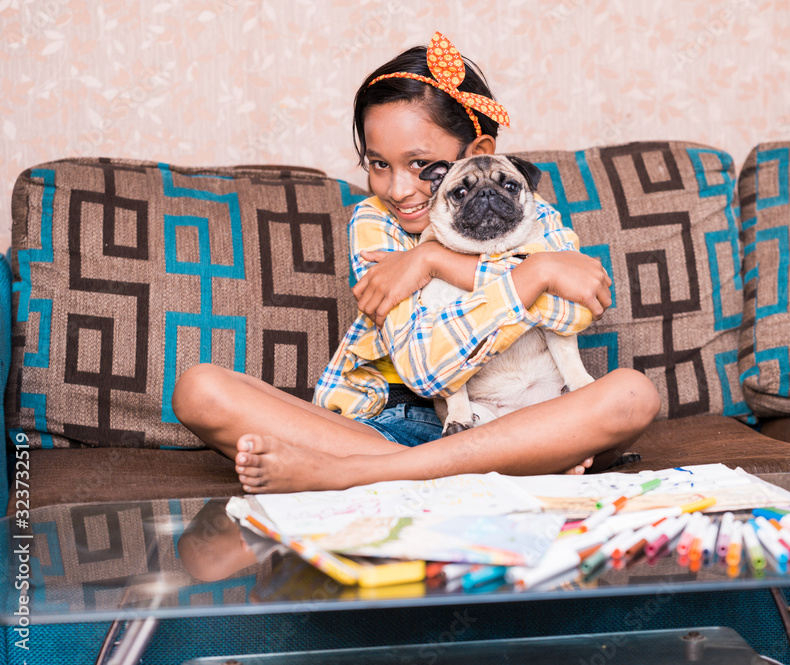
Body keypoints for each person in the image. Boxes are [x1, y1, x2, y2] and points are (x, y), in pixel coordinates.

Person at [172, 32, 660, 494]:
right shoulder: (376, 223)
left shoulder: (532, 210)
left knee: (633, 394)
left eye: (421, 165)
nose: (399, 189)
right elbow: (426, 372)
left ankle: (360, 477)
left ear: (479, 153)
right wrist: (537, 272)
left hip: (518, 420)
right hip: (385, 425)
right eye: (379, 164)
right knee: (199, 389)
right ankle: (490, 469)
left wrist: (434, 262)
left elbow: (579, 310)